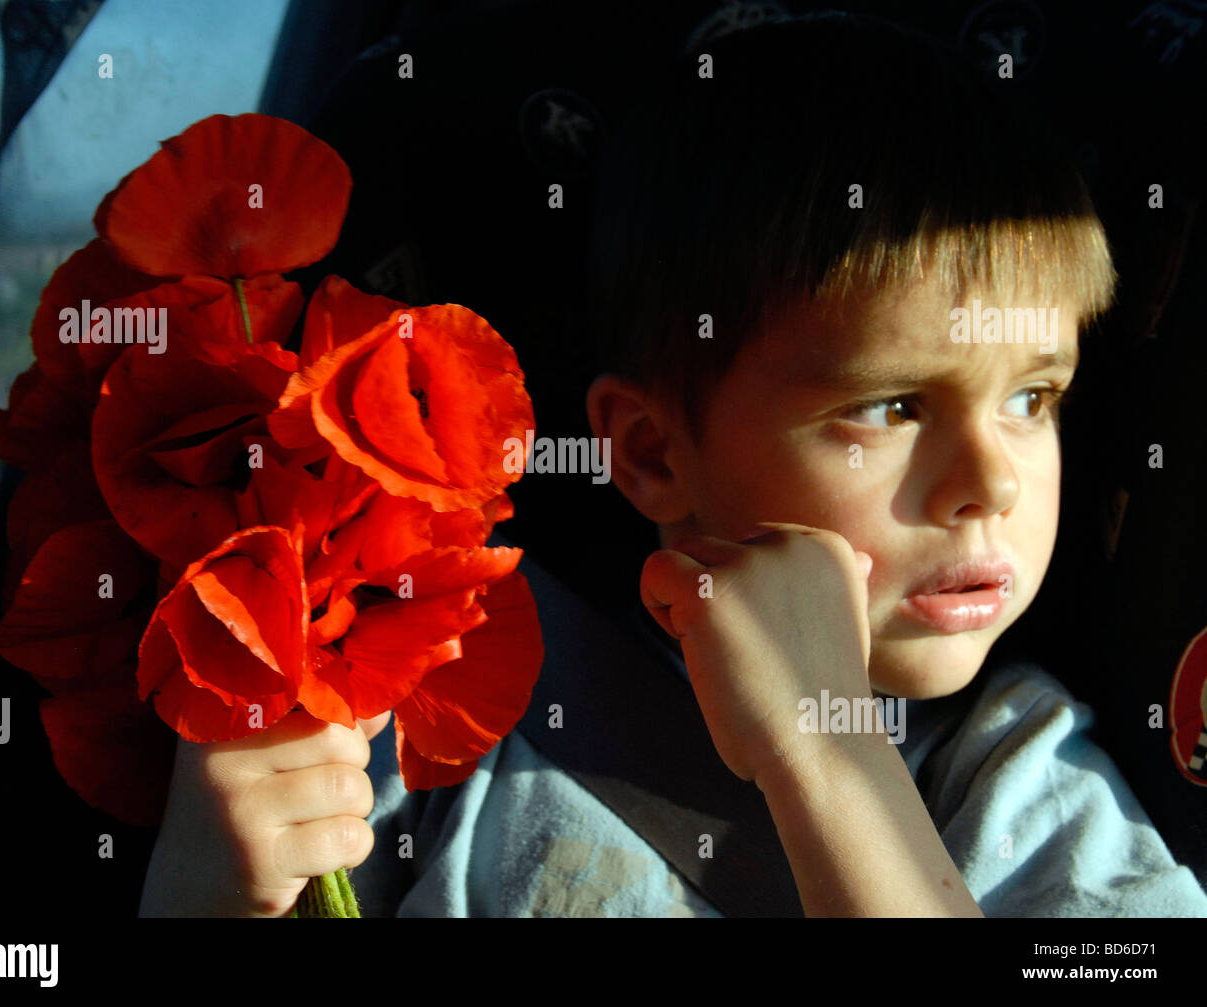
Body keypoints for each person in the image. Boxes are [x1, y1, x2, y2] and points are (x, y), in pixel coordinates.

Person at [138, 12, 1207, 917]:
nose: (995, 479)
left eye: (1034, 397)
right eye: (890, 404)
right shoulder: (442, 706)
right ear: (650, 450)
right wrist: (202, 890)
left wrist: (828, 756)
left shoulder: (1025, 780)